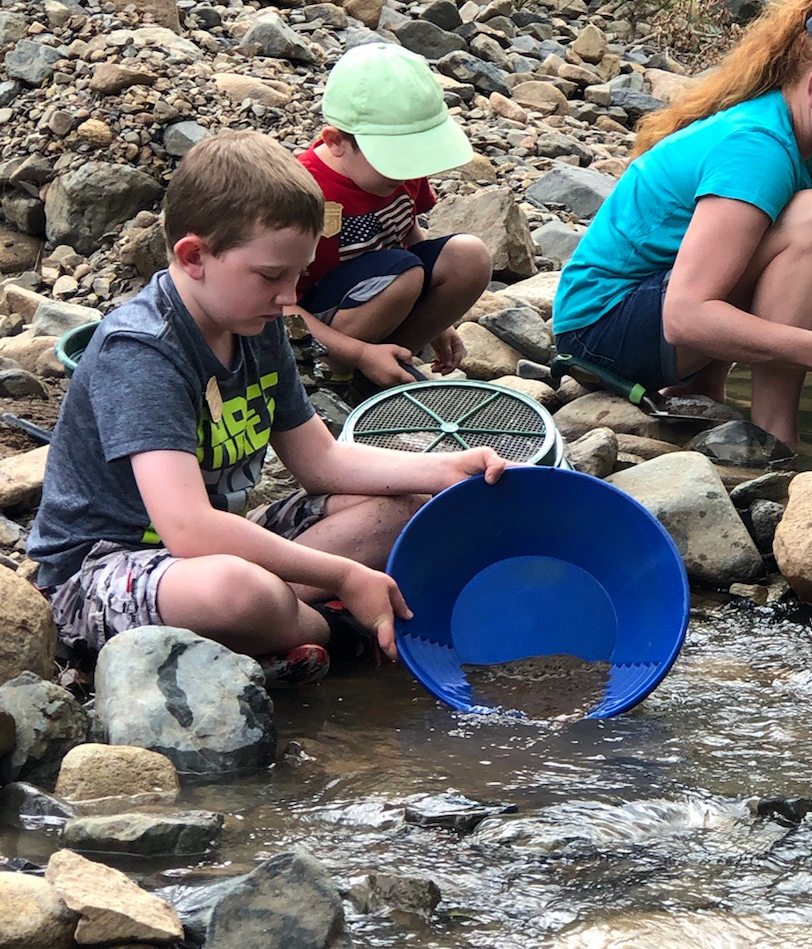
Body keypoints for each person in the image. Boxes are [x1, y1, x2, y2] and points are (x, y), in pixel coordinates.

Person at [27, 131, 504, 688]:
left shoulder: (256, 321)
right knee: (237, 592)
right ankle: (336, 632)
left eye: (299, 274)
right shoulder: (143, 350)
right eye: (273, 276)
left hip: (218, 545)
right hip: (105, 573)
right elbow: (188, 529)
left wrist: (446, 469)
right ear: (194, 256)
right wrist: (344, 576)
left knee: (408, 508)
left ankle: (281, 627)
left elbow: (321, 462)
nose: (290, 296)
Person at [553, 0, 812, 449]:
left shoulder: (789, 135)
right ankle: (775, 440)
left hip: (626, 320)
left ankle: (700, 390)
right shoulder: (757, 149)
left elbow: (776, 308)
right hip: (601, 331)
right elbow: (685, 318)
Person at [292, 42, 492, 389]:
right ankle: (333, 375)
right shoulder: (301, 192)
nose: (407, 173)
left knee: (469, 257)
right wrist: (357, 353)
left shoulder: (400, 171)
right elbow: (274, 305)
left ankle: (389, 362)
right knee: (406, 272)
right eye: (394, 160)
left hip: (382, 288)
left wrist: (438, 321)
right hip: (311, 322)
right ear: (336, 141)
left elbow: (405, 229)